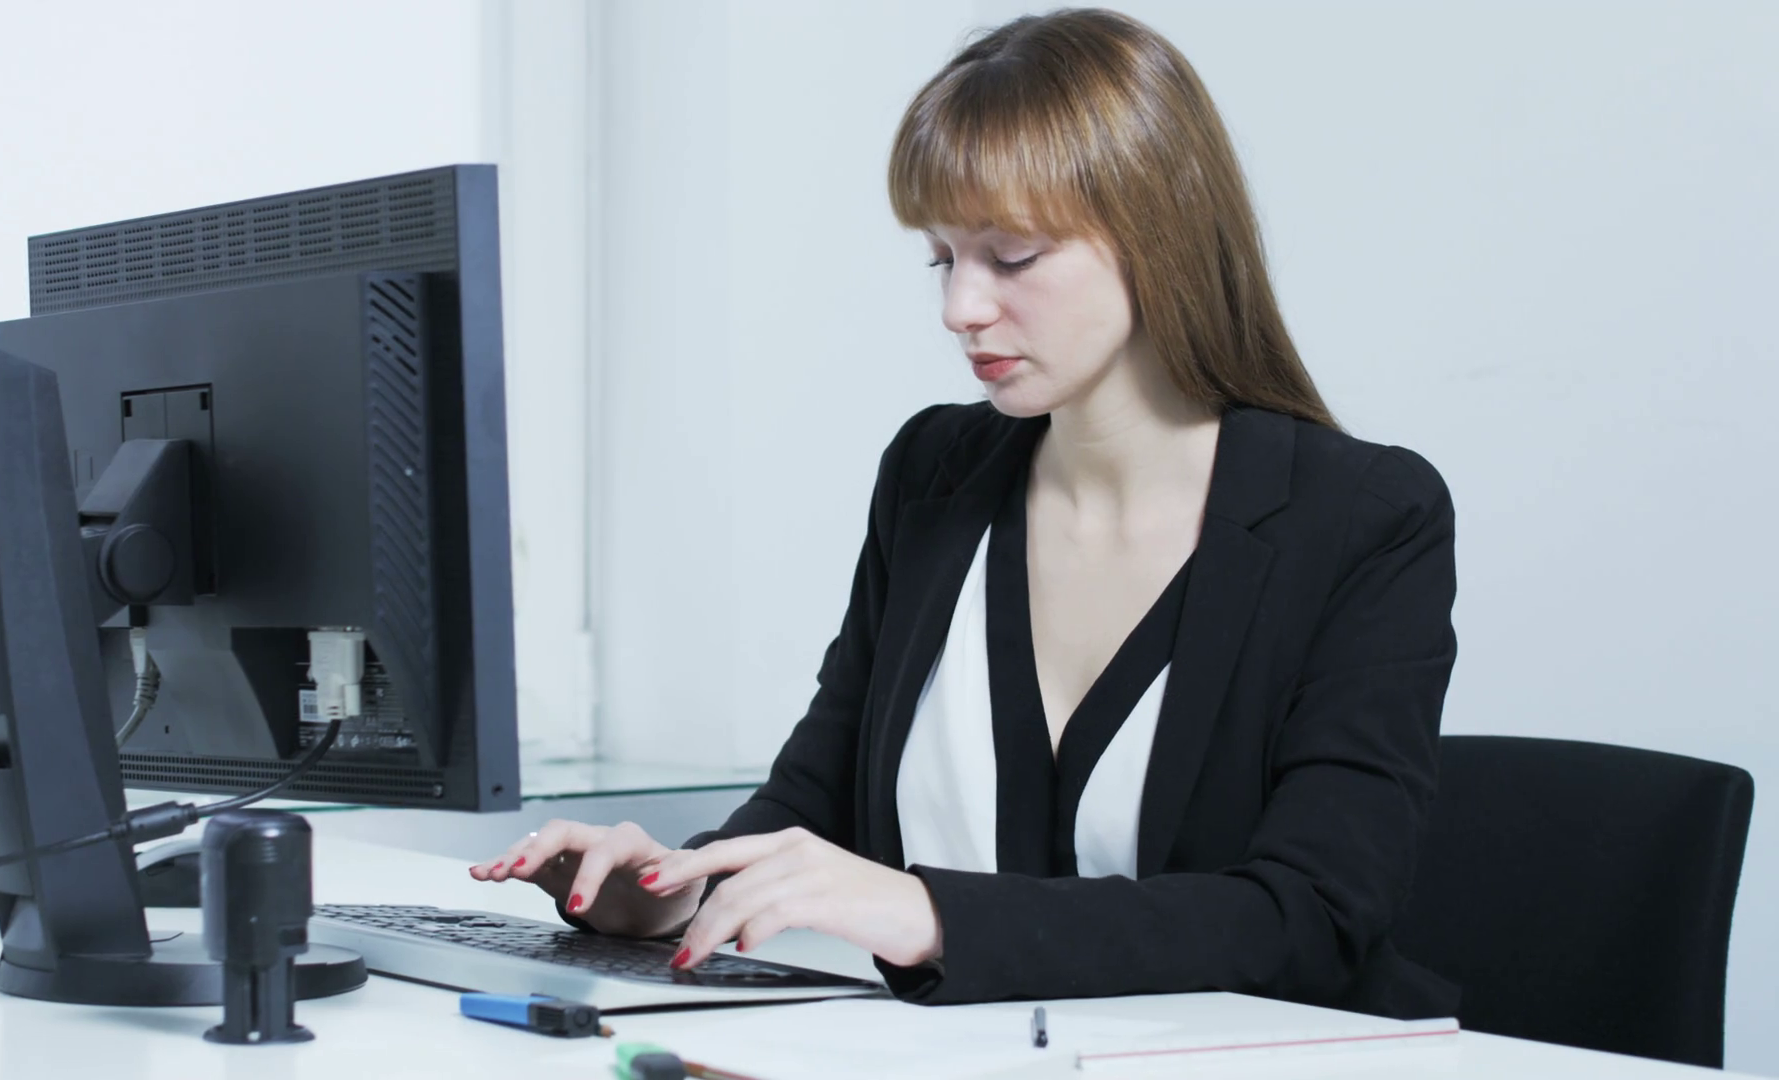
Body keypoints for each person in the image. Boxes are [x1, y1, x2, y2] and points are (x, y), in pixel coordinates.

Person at [470, 7, 1459, 1019]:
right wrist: (681, 895)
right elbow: (816, 805)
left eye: (1012, 256)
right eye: (942, 258)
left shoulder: (1364, 517)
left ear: (1158, 235)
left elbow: (1314, 917)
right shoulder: (935, 474)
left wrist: (931, 915)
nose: (961, 310)